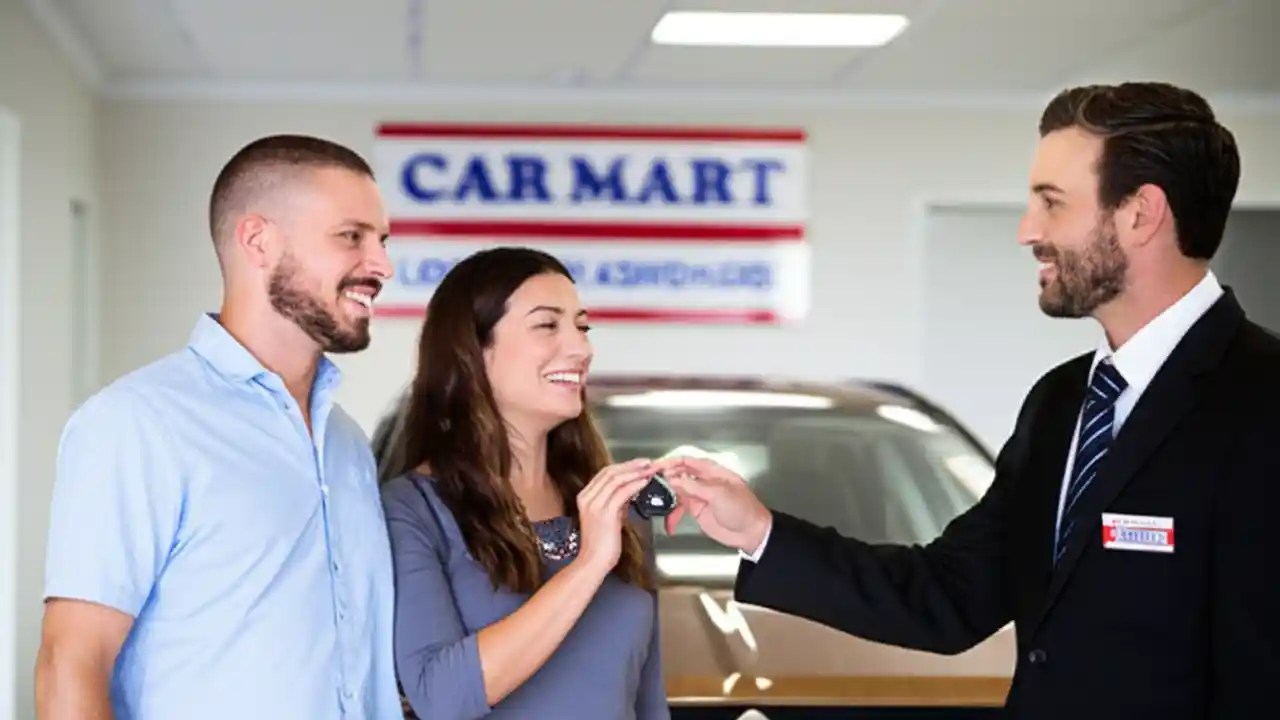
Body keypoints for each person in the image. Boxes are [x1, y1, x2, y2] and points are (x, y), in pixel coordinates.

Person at [657, 81, 1279, 719]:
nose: (1027, 230)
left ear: (1140, 213)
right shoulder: (1064, 401)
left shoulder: (1264, 401)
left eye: (1052, 203)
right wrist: (758, 530)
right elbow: (948, 597)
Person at [35, 135, 402, 719]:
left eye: (381, 241)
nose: (381, 264)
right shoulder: (138, 424)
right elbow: (69, 666)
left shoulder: (348, 445)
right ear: (258, 240)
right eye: (351, 237)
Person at [379, 246, 669, 720]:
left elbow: (648, 699)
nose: (581, 348)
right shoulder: (413, 510)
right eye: (547, 325)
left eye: (582, 326)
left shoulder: (614, 506)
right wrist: (589, 564)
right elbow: (441, 698)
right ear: (473, 350)